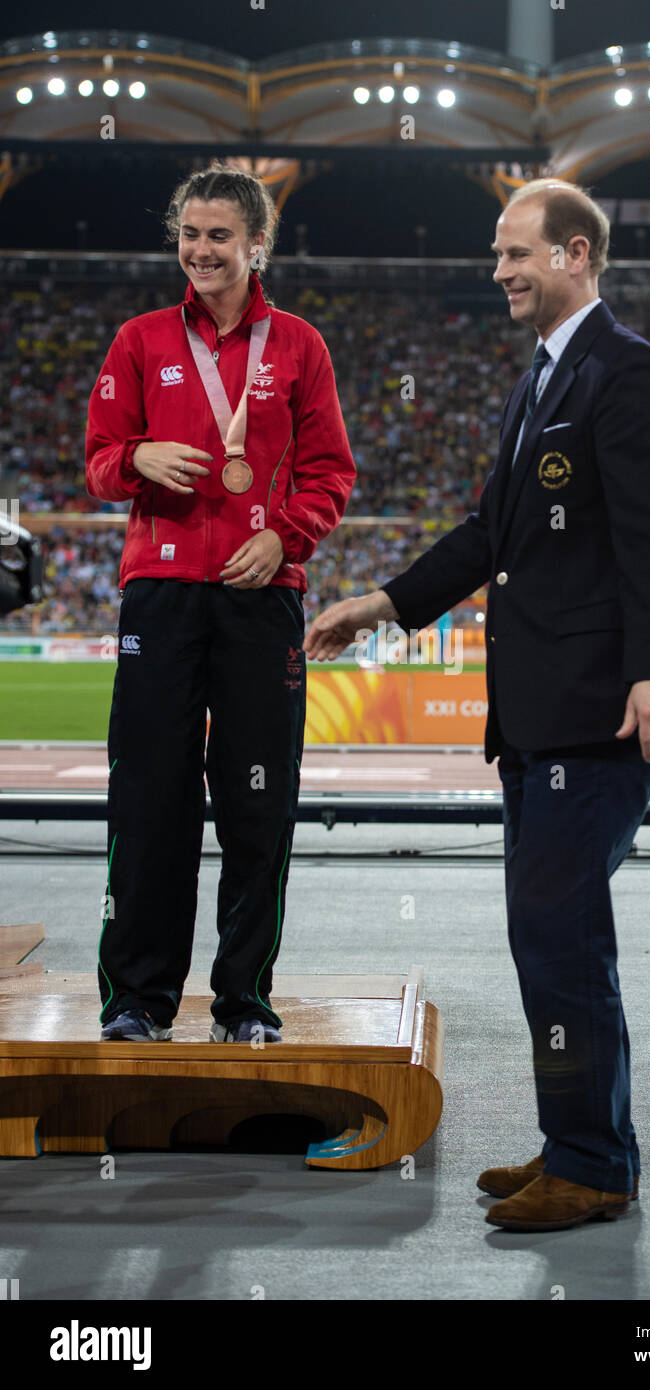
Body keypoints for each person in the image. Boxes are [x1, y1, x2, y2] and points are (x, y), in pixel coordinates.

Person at [305, 179, 650, 1232]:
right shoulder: (541, 382)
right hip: (538, 718)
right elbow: (491, 539)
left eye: (516, 254)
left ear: (575, 253)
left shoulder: (628, 370)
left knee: (556, 931)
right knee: (554, 937)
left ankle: (593, 1164)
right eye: (497, 254)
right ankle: (582, 1144)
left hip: (600, 712)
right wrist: (381, 604)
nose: (500, 272)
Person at [86, 165, 356, 1044]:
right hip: (160, 596)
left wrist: (287, 537)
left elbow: (329, 474)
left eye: (218, 237)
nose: (200, 252)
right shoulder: (139, 339)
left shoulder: (299, 348)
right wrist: (138, 461)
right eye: (189, 235)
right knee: (150, 800)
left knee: (258, 802)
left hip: (259, 597)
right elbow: (97, 461)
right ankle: (136, 1000)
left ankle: (244, 1002)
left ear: (256, 247)